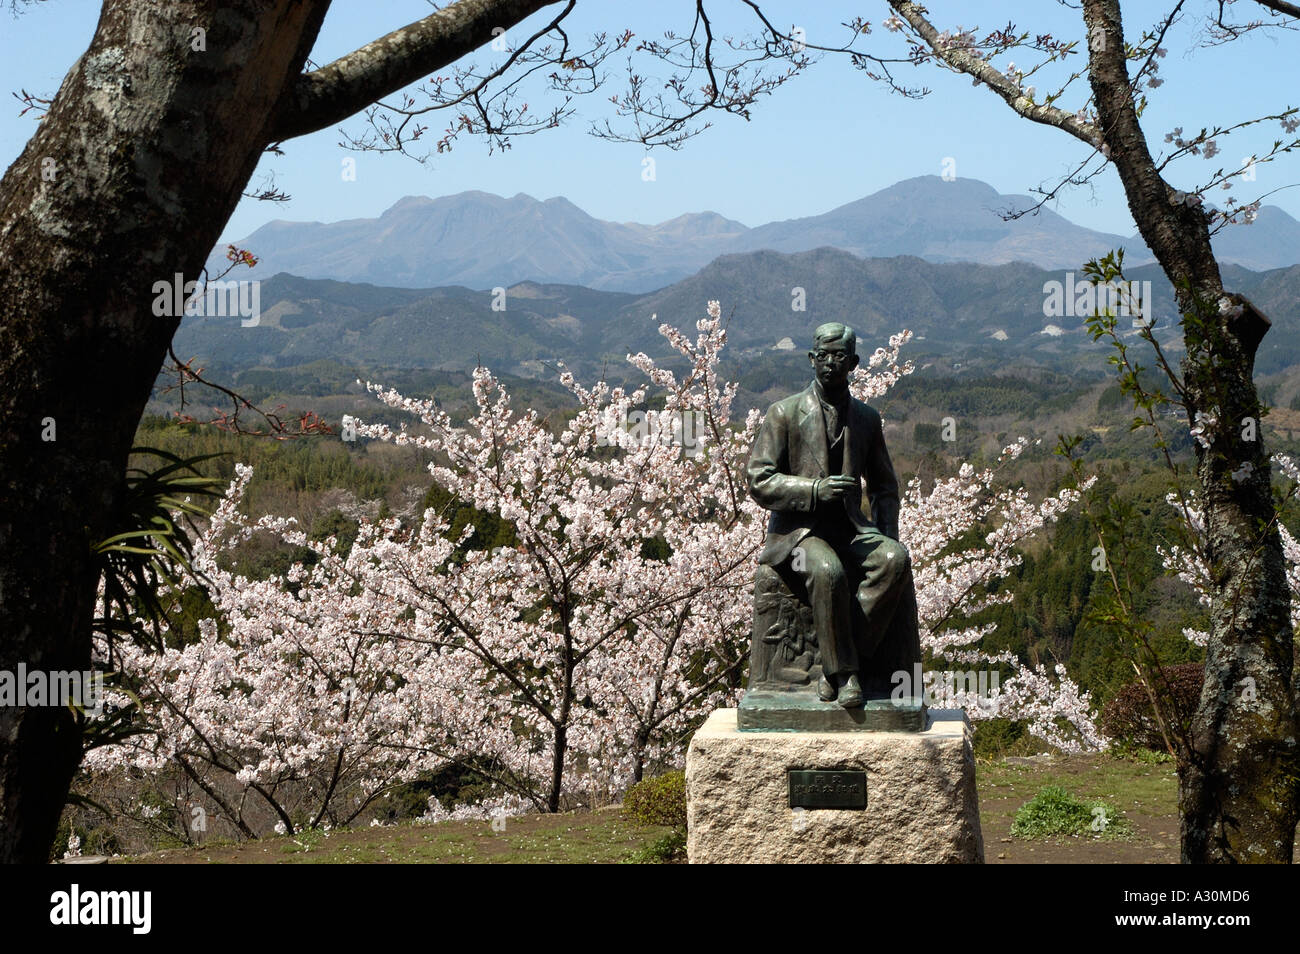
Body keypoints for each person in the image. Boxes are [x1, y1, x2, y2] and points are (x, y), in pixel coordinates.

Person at [746, 322, 917, 707]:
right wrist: (812, 490)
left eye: (839, 355)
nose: (830, 363)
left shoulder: (867, 419)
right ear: (811, 359)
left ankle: (834, 663)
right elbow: (759, 479)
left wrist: (888, 533)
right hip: (798, 536)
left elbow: (885, 487)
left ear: (853, 362)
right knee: (828, 572)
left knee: (894, 560)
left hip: (851, 530)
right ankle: (848, 675)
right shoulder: (784, 413)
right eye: (822, 355)